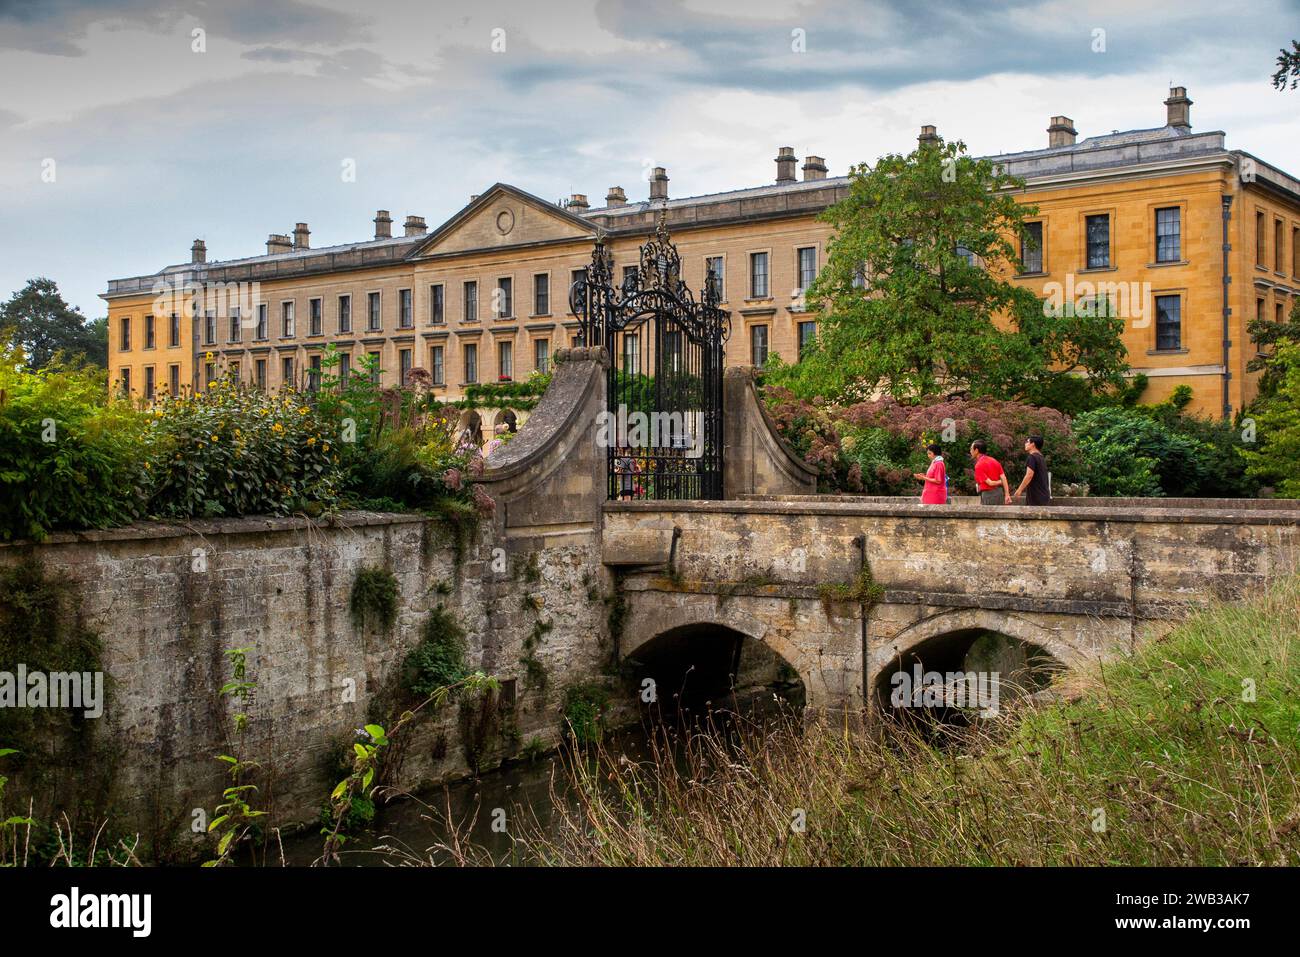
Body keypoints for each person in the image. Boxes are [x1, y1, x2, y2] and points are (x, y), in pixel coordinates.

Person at [1014, 434, 1052, 506]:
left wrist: (1019, 490)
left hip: (1036, 496)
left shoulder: (1032, 457)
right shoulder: (1041, 457)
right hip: (1043, 495)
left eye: (1027, 442)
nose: (1025, 443)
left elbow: (1029, 475)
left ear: (1033, 444)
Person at [971, 439, 1012, 505]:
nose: (970, 451)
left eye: (971, 449)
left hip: (988, 495)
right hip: (999, 493)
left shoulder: (978, 465)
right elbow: (1003, 478)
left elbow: (990, 483)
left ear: (976, 451)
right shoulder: (994, 460)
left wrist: (1001, 482)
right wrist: (1007, 494)